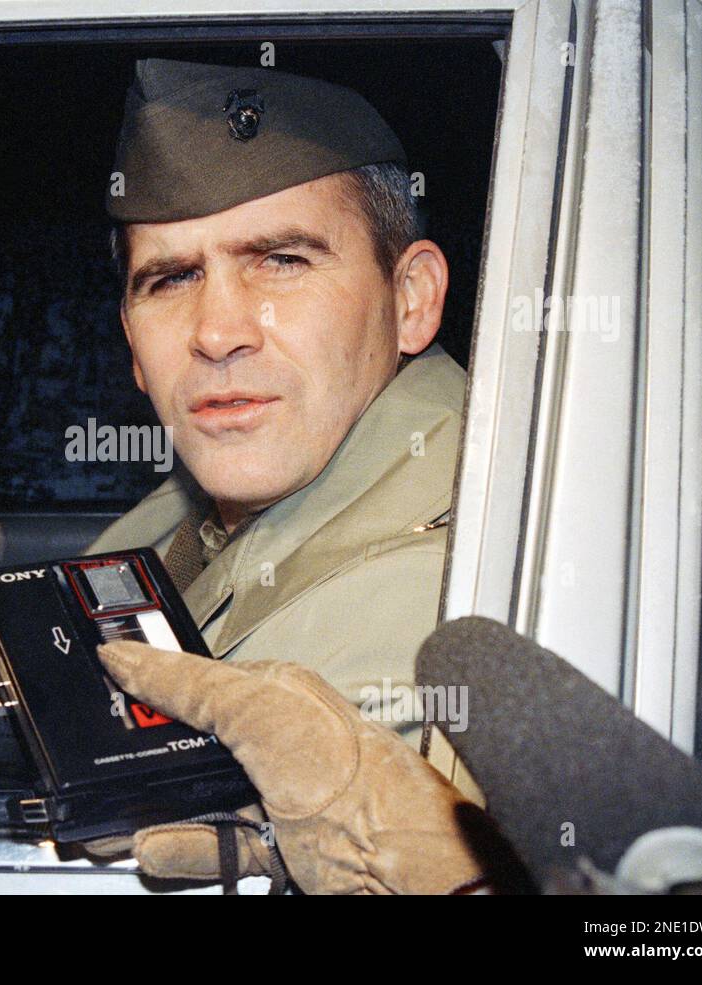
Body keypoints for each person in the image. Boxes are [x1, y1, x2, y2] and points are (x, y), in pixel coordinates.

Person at [85, 58, 487, 891]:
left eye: (281, 260)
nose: (218, 331)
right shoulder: (197, 516)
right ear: (132, 342)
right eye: (172, 277)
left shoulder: (443, 606)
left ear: (412, 298)